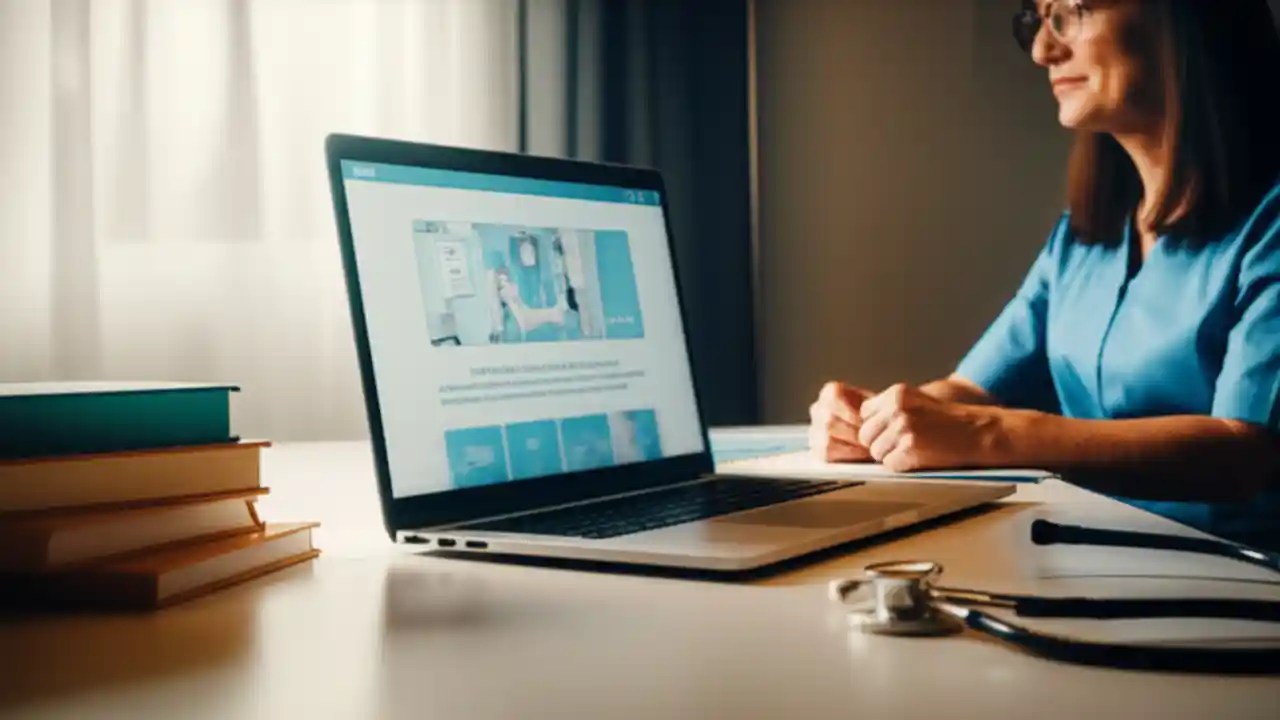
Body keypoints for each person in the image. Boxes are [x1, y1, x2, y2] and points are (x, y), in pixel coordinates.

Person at [807, 0, 1280, 550]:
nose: (1043, 50)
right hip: (1091, 564)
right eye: (1038, 20)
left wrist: (988, 435)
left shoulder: (1269, 223)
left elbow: (1243, 454)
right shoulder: (1081, 240)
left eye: (1072, 12)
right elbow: (972, 393)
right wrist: (875, 422)